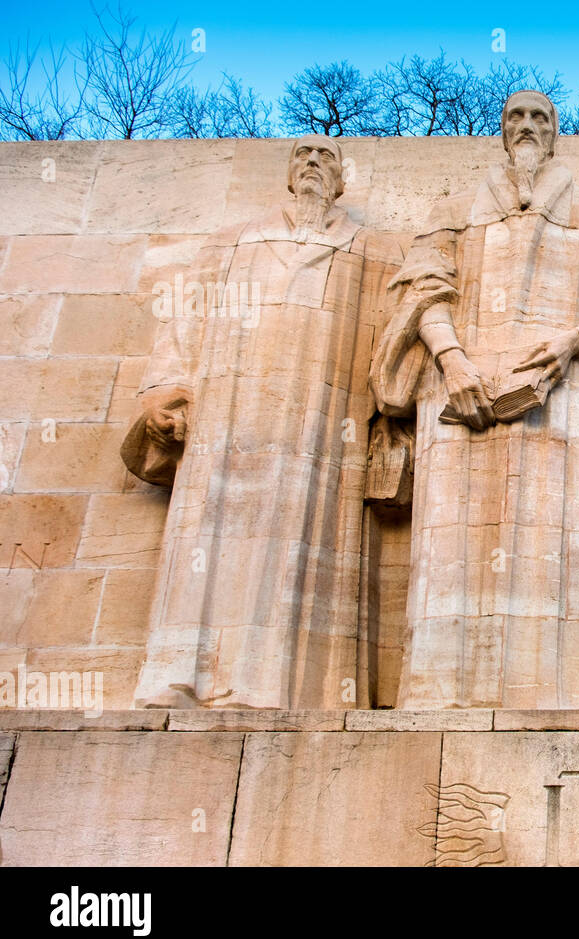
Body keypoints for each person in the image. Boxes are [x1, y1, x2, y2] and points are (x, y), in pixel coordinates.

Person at [371, 90, 579, 709]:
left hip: (569, 394)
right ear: (501, 131)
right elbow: (419, 291)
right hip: (455, 388)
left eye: (541, 117)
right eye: (516, 116)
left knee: (561, 558)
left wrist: (572, 342)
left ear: (557, 134)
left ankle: (569, 700)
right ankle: (435, 701)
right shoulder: (455, 208)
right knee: (450, 558)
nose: (528, 126)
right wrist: (452, 360)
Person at [127, 135, 402, 708]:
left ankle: (288, 688)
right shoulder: (232, 242)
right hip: (226, 417)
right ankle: (181, 675)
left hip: (323, 424)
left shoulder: (371, 251)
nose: (312, 165)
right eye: (302, 155)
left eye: (325, 158)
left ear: (343, 180)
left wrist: (391, 417)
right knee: (209, 535)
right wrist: (166, 390)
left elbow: (395, 339)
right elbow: (186, 320)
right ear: (286, 172)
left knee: (304, 543)